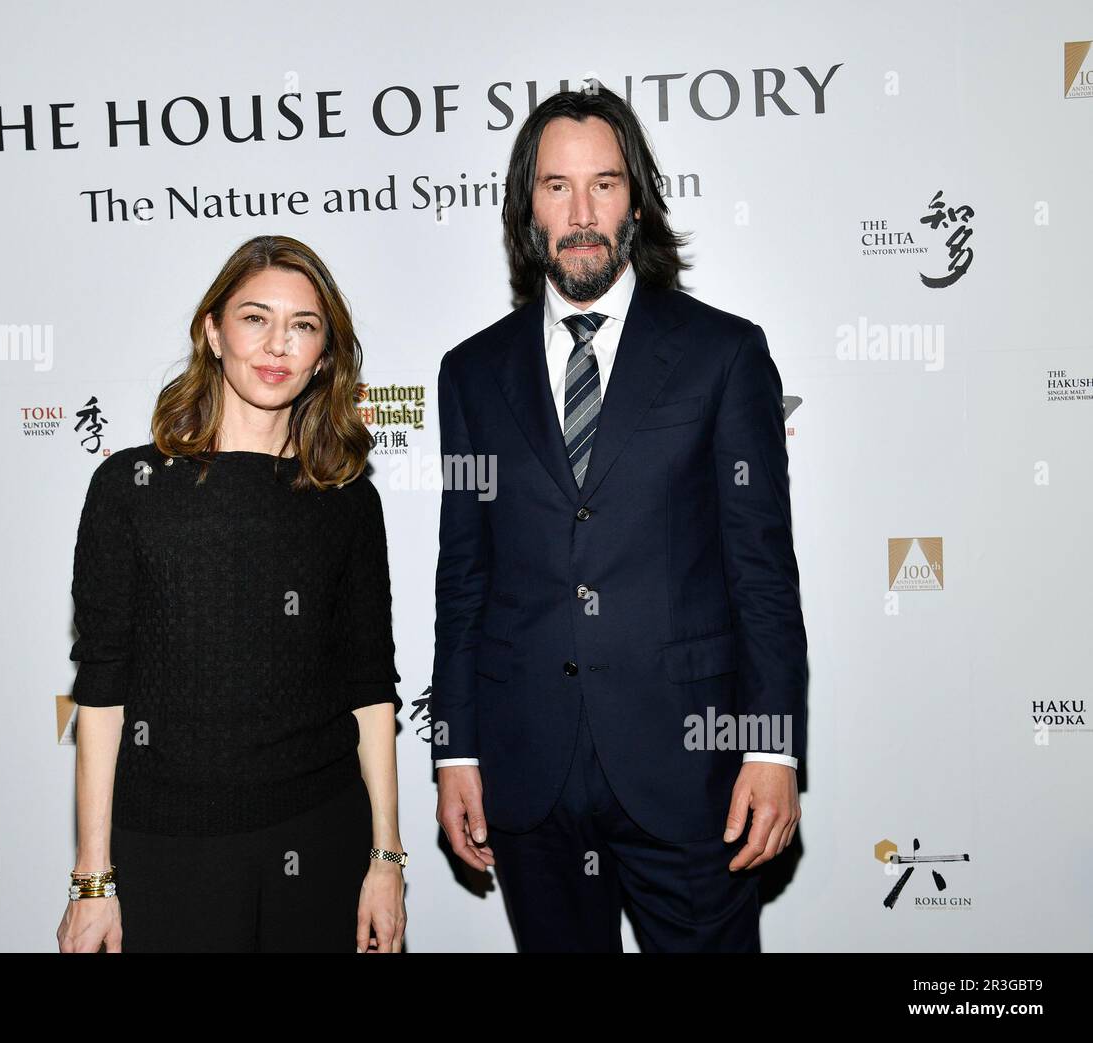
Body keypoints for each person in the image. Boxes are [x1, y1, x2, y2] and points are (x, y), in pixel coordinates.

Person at [430, 86, 808, 952]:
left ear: (636, 197)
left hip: (691, 766)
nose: (582, 212)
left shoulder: (724, 352)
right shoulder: (471, 373)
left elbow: (762, 572)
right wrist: (455, 751)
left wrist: (774, 749)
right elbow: (464, 575)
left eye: (603, 184)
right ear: (527, 207)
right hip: (530, 771)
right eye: (556, 187)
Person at [57, 234, 407, 953]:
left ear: (324, 353)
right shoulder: (131, 489)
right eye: (255, 318)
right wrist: (94, 879)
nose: (278, 344)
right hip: (171, 851)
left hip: (323, 836)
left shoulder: (343, 500)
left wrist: (386, 860)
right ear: (213, 332)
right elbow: (101, 694)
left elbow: (369, 688)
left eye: (303, 326)